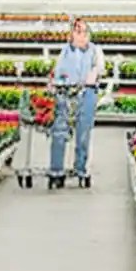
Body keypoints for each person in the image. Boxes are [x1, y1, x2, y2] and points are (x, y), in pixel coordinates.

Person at [47, 17, 104, 183]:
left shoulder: (95, 51)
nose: (81, 35)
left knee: (83, 132)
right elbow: (56, 72)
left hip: (87, 93)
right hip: (64, 93)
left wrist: (90, 79)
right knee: (59, 131)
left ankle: (81, 168)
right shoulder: (64, 51)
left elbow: (98, 70)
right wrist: (55, 84)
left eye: (84, 31)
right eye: (77, 31)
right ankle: (56, 171)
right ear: (71, 33)